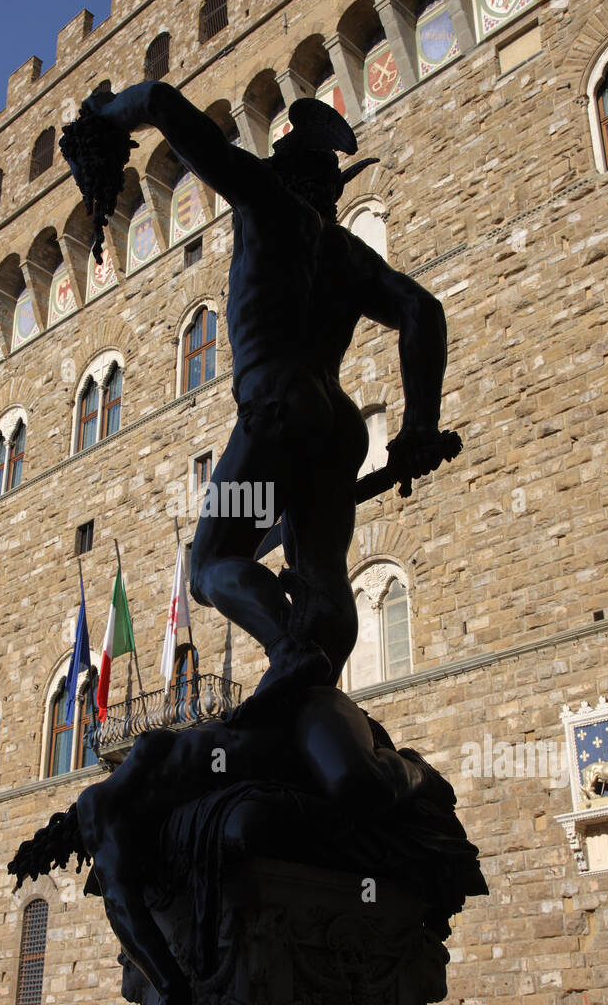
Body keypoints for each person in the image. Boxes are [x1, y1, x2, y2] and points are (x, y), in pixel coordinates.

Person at [68, 85, 453, 713]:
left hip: (277, 417)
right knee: (323, 566)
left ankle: (289, 648)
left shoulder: (265, 201)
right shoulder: (348, 253)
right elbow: (422, 311)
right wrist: (418, 426)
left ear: (285, 167)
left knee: (211, 563)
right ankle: (317, 682)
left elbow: (166, 106)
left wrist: (106, 115)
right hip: (337, 430)